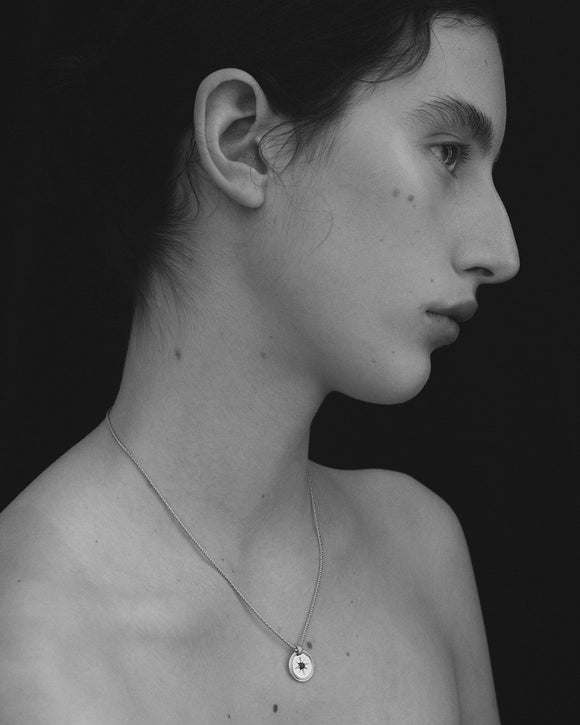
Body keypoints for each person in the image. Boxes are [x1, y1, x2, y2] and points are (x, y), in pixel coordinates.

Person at [0, 0, 519, 722]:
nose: (502, 251)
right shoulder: (31, 650)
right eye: (450, 153)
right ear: (242, 140)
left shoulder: (420, 549)